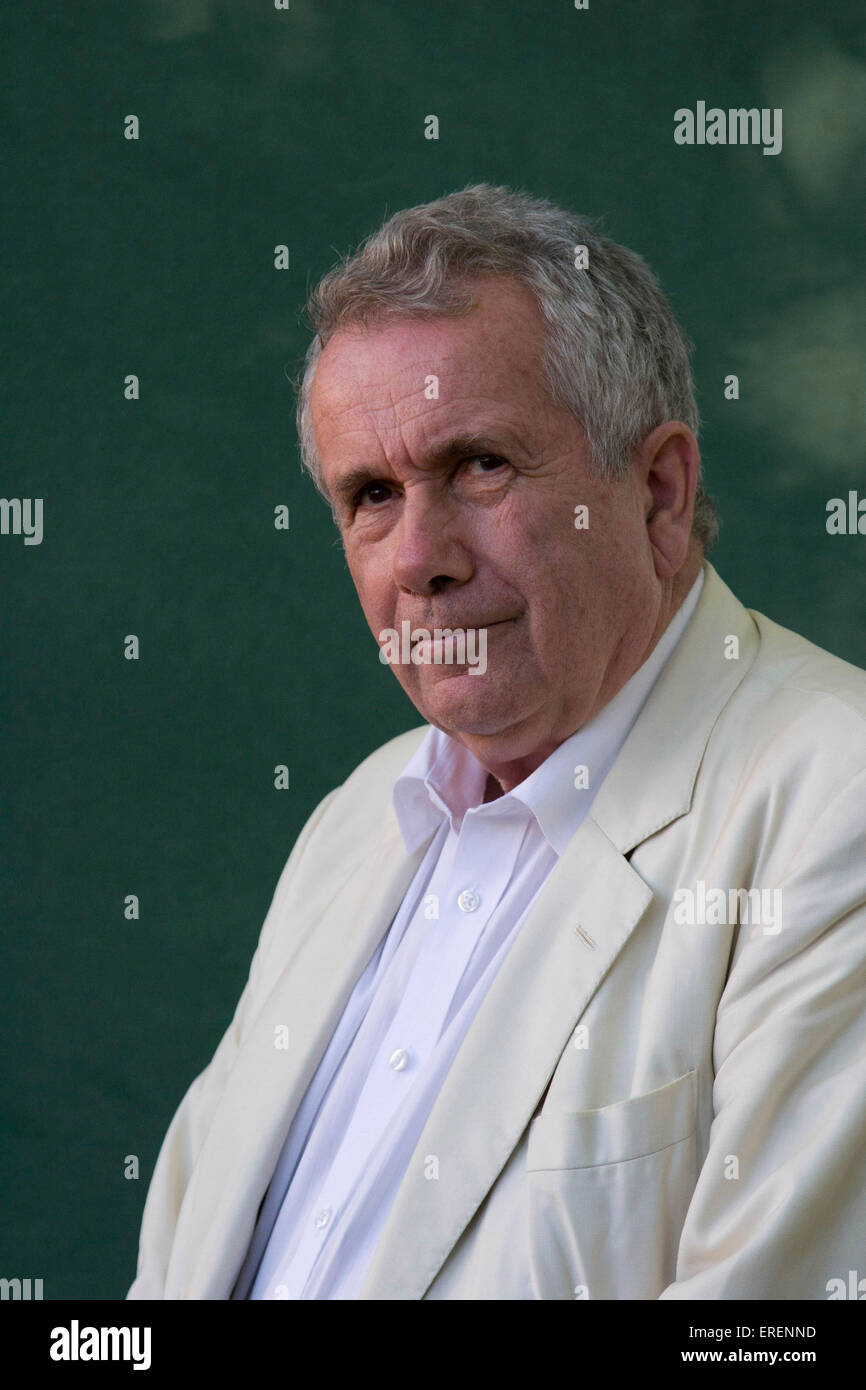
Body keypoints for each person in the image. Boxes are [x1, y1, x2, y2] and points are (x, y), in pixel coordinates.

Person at [127, 183, 866, 1301]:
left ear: (660, 492)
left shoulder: (833, 799)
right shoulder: (355, 822)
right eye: (370, 493)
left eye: (477, 465)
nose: (419, 554)